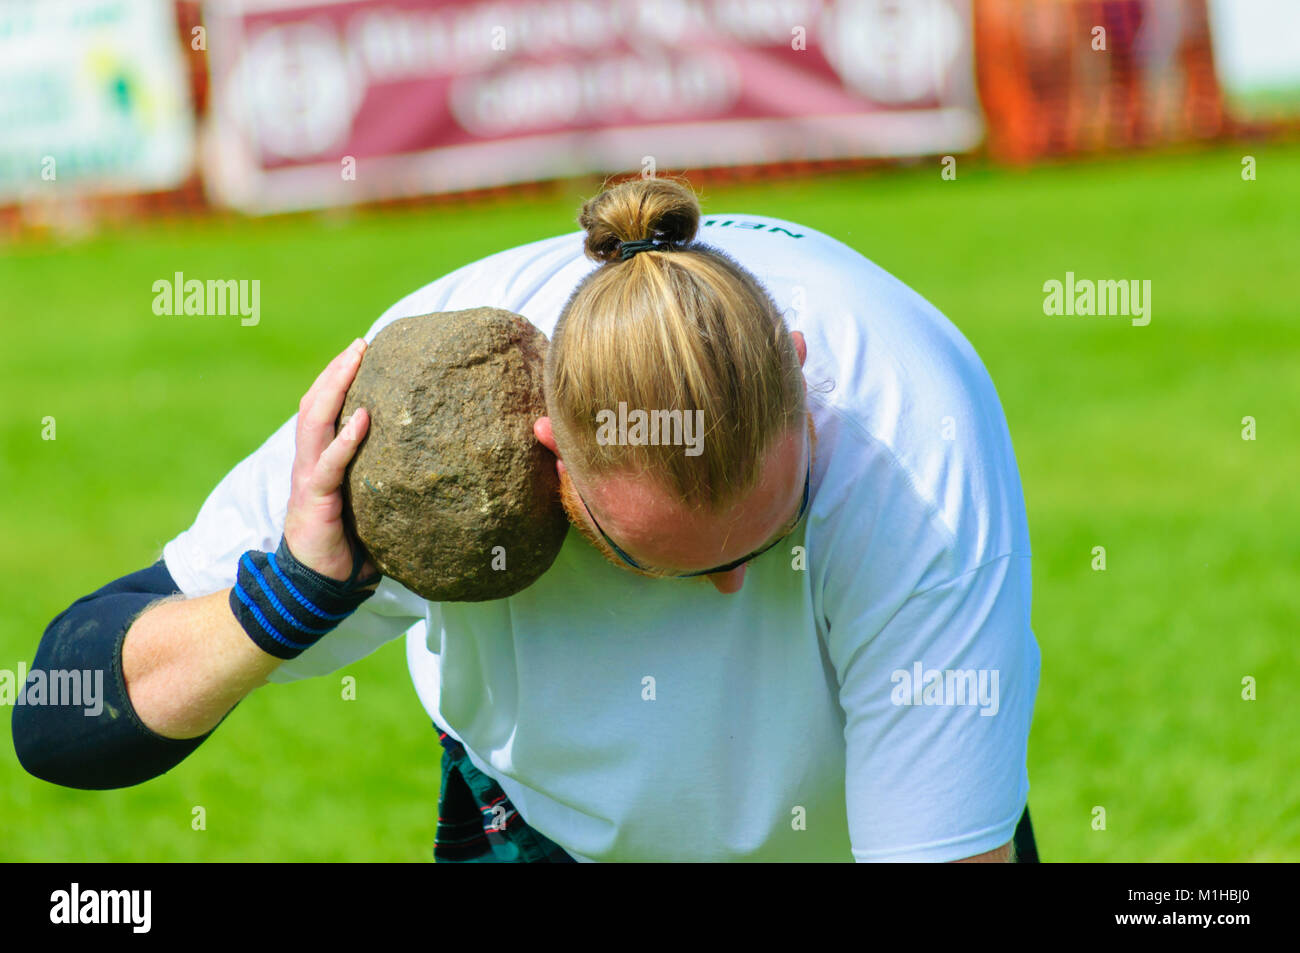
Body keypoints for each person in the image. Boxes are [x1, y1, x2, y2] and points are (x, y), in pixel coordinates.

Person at [14, 177, 1041, 862]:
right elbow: (57, 719)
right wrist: (286, 597)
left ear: (800, 369)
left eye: (769, 537)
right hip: (536, 824)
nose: (735, 585)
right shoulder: (430, 426)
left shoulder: (913, 448)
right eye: (666, 563)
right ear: (548, 450)